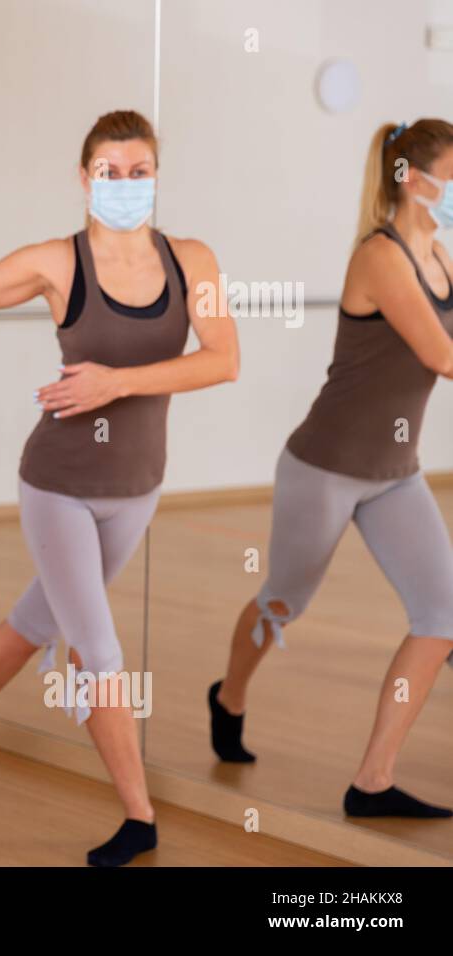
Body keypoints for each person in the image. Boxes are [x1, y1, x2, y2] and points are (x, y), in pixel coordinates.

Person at [0, 110, 239, 866]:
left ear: (157, 173)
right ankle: (139, 817)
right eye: (108, 172)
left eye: (139, 171)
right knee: (95, 649)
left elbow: (223, 360)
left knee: (35, 622)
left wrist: (115, 383)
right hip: (58, 483)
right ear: (83, 177)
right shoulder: (56, 264)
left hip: (139, 487)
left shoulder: (194, 261)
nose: (125, 184)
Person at [210, 119, 453, 820]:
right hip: (325, 468)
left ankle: (371, 782)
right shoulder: (381, 257)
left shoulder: (440, 257)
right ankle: (228, 698)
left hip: (395, 473)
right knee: (284, 602)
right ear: (411, 178)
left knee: (441, 616)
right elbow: (440, 354)